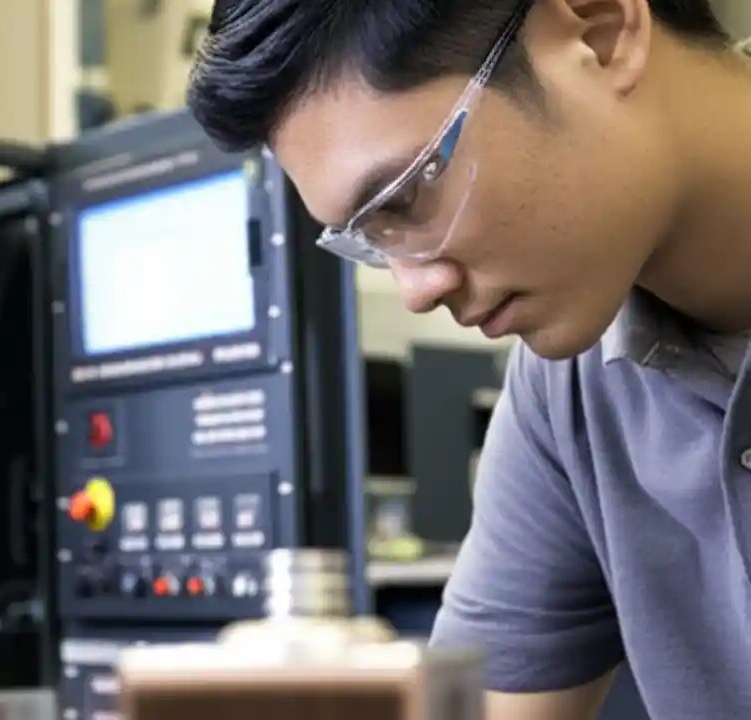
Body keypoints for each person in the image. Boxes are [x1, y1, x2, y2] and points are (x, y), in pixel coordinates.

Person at [187, 0, 751, 718]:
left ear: (602, 32)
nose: (416, 291)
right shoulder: (567, 387)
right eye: (369, 239)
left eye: (409, 194)